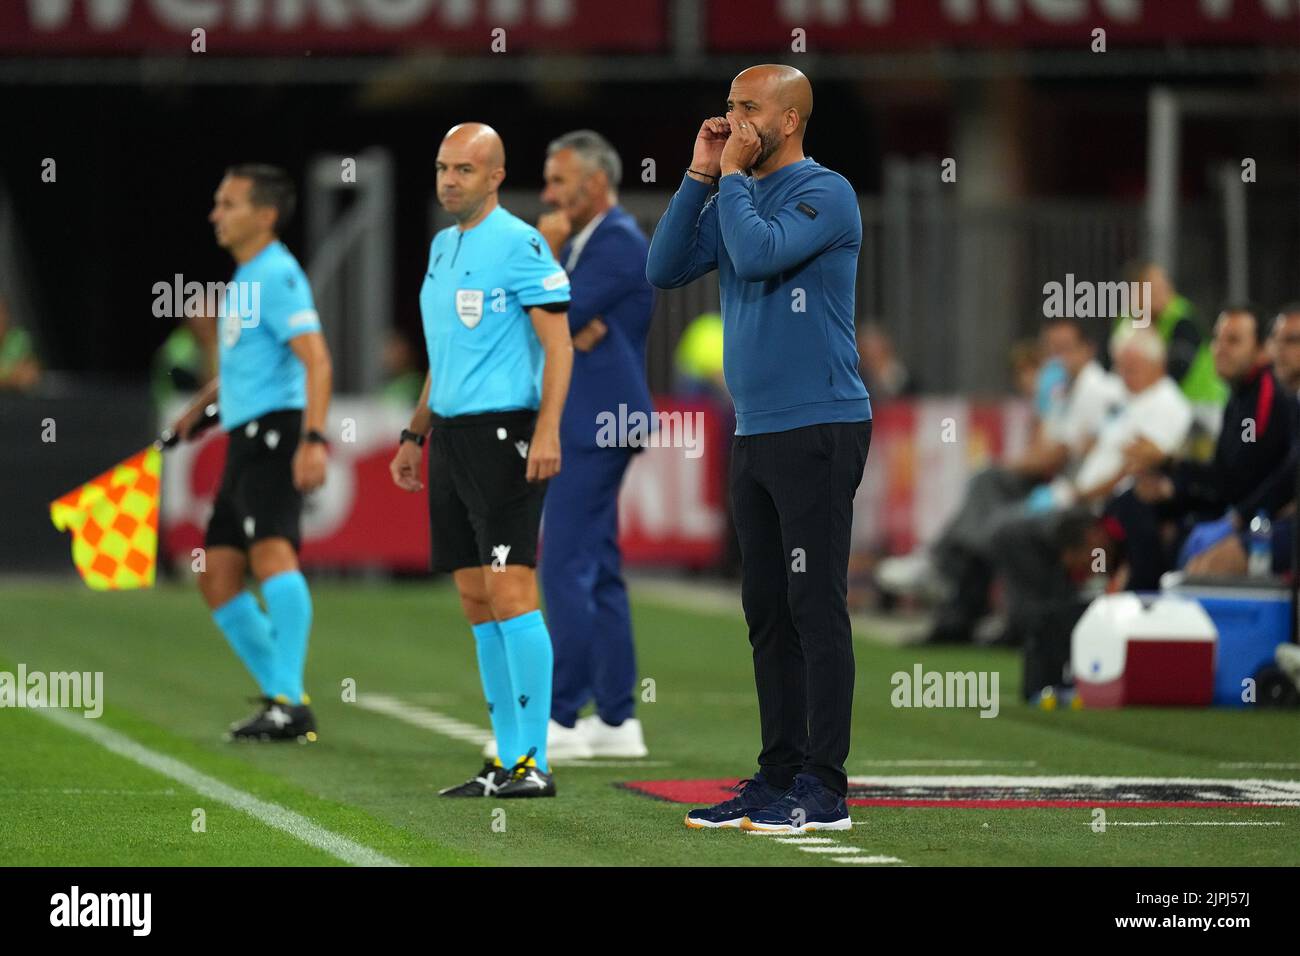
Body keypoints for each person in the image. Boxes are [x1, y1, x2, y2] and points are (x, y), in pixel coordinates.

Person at [647, 64, 871, 833]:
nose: (732, 118)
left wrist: (732, 179)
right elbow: (665, 267)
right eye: (730, 105)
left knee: (815, 606)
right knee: (767, 612)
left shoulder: (827, 191)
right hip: (757, 429)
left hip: (819, 425)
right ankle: (777, 777)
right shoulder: (735, 186)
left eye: (749, 108)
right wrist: (697, 176)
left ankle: (827, 788)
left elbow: (762, 253)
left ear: (790, 118)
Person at [389, 123, 573, 799]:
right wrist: (415, 434)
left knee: (510, 587)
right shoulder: (443, 246)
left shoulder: (520, 243)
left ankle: (534, 762)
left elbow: (559, 347)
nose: (448, 180)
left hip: (507, 434)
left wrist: (548, 429)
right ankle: (504, 757)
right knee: (473, 596)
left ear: (496, 176)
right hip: (454, 437)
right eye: (442, 168)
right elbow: (444, 357)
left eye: (464, 169)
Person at [170, 164, 333, 741]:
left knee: (272, 557)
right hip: (246, 437)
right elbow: (247, 367)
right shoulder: (245, 279)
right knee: (216, 574)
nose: (216, 213)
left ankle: (288, 699)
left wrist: (314, 440)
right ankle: (287, 699)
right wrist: (202, 407)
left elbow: (316, 359)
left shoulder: (277, 276)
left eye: (228, 203)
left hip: (277, 433)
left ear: (264, 215)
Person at [877, 316, 1123, 643]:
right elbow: (1047, 449)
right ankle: (948, 584)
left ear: (1089, 350)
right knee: (987, 485)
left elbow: (1056, 455)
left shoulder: (1096, 390)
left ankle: (946, 573)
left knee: (995, 516)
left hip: (1080, 498)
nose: (1058, 358)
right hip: (1059, 488)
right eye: (1052, 350)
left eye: (1066, 349)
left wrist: (1009, 461)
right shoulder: (1064, 391)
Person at [529, 129, 654, 759]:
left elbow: (553, 316)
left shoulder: (616, 242)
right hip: (602, 413)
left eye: (558, 180)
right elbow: (566, 324)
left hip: (596, 419)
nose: (547, 194)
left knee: (564, 564)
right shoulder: (593, 245)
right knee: (598, 566)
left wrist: (546, 261)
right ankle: (616, 718)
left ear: (596, 182)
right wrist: (566, 317)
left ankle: (562, 717)